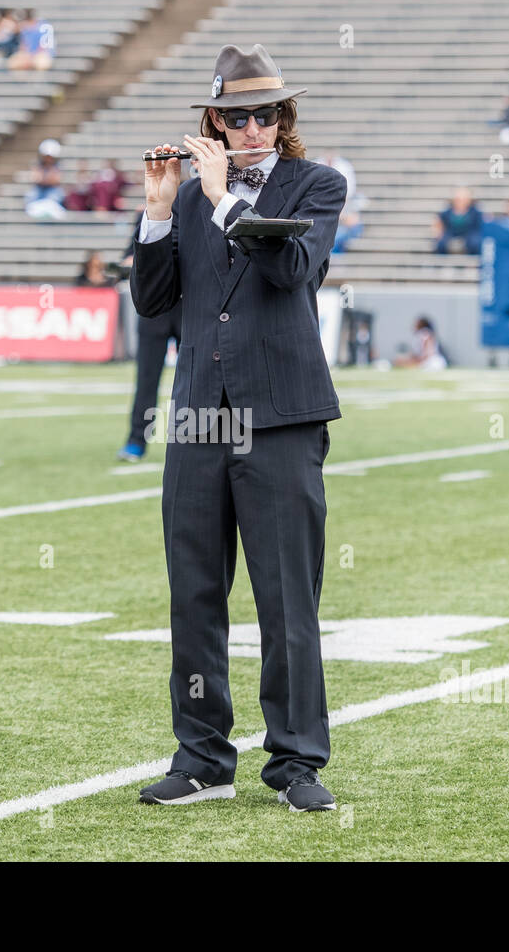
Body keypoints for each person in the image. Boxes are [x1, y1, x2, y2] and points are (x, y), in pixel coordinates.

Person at [130, 43, 346, 812]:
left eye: (267, 115)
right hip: (198, 415)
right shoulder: (189, 195)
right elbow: (154, 303)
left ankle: (295, 761)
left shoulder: (316, 184)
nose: (254, 127)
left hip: (282, 412)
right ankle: (201, 755)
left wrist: (224, 196)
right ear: (214, 120)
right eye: (238, 116)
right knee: (193, 592)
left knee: (287, 595)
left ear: (283, 120)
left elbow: (292, 271)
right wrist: (160, 208)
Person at [118, 206, 182, 463]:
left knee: (195, 381)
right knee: (146, 379)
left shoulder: (199, 206)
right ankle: (136, 440)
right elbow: (131, 252)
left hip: (189, 308)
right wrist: (131, 261)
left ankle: (194, 442)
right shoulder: (148, 211)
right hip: (154, 310)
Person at [433, 186, 484, 254]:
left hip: (469, 233)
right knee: (441, 243)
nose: (461, 201)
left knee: (475, 242)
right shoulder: (447, 211)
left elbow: (480, 225)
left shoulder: (475, 212)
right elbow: (440, 222)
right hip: (451, 232)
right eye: (458, 199)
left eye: (463, 198)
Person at [25, 137, 66, 218]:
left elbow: (55, 180)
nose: (48, 159)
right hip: (39, 194)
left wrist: (44, 178)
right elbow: (36, 178)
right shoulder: (38, 166)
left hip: (52, 195)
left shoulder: (57, 167)